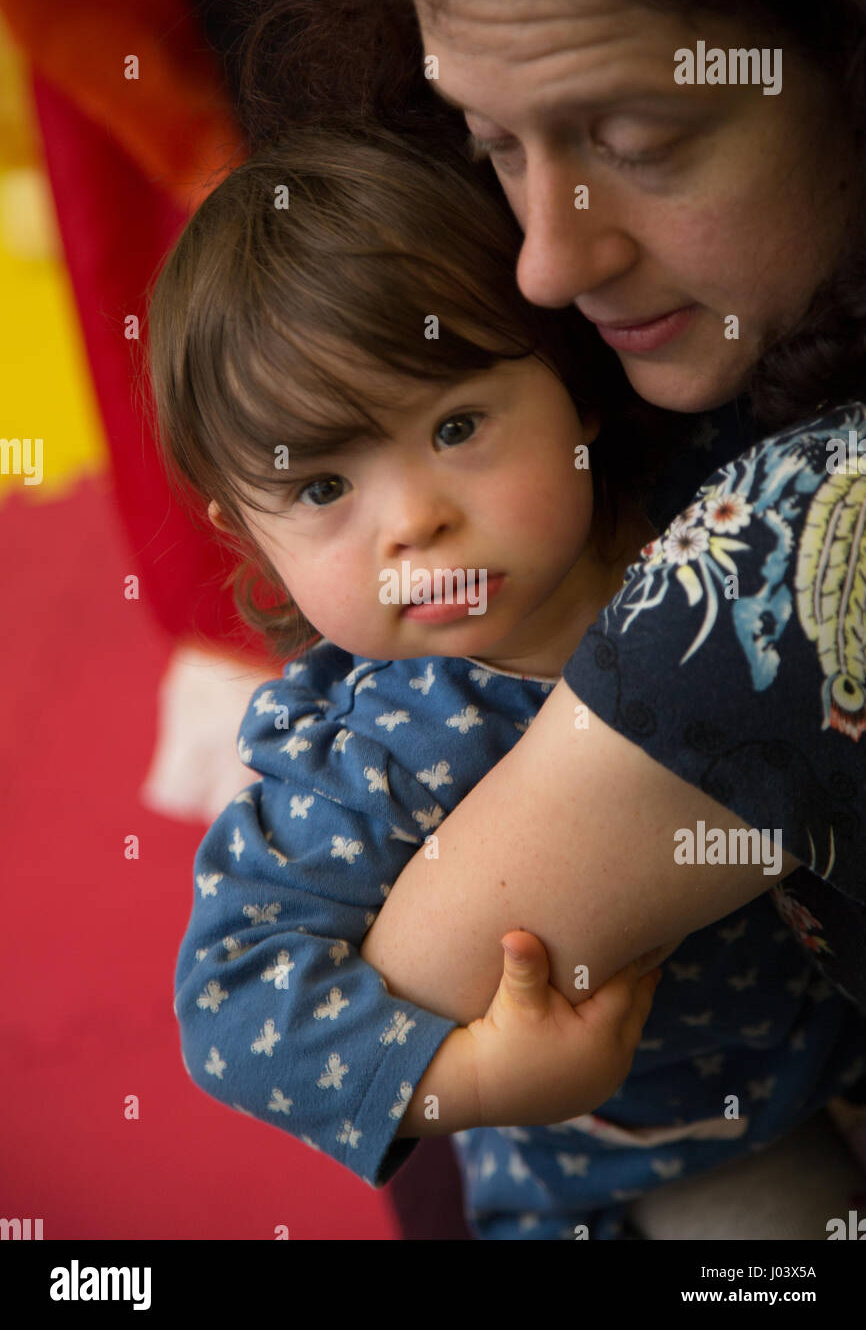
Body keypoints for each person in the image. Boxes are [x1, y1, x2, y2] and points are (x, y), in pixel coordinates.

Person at [150, 124, 866, 1240]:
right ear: (245, 532)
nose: (412, 520)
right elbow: (226, 1005)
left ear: (573, 390)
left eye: (456, 425)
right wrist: (475, 1081)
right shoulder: (375, 757)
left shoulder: (712, 489)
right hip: (677, 1147)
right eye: (323, 484)